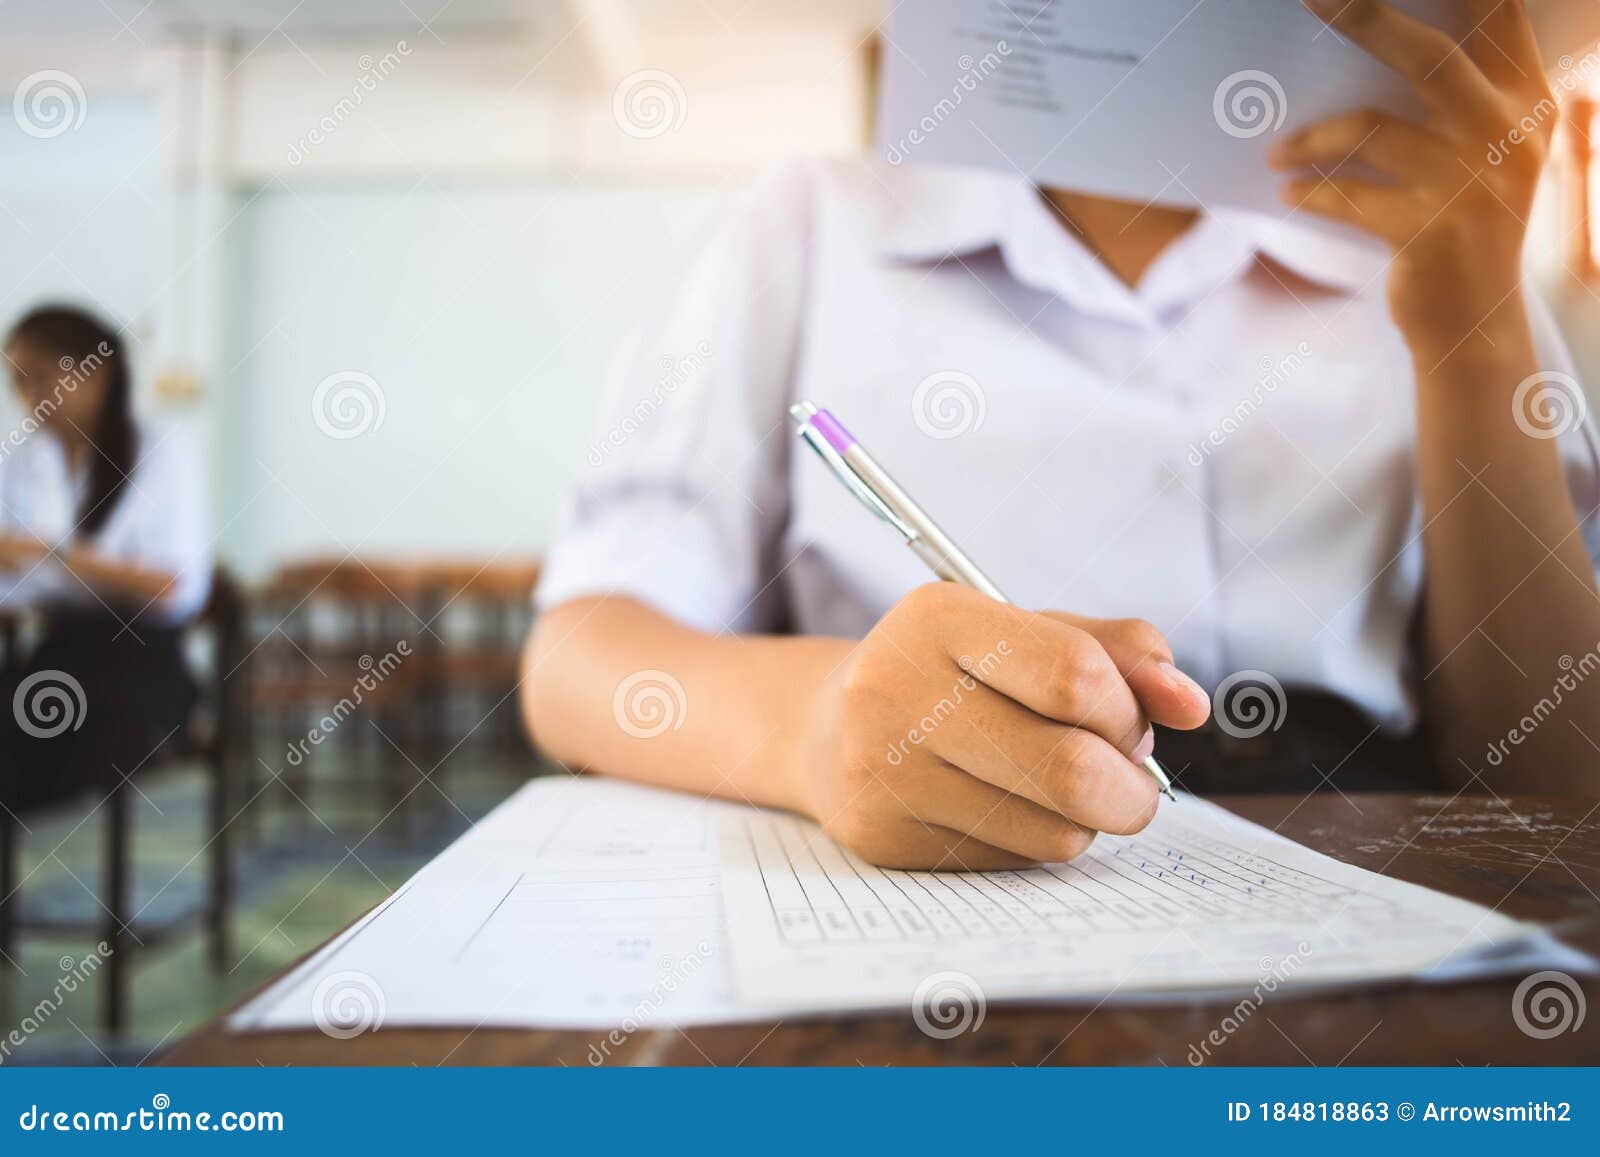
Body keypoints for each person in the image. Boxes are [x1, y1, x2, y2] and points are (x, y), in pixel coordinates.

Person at [522, 0, 1600, 870]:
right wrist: (818, 727)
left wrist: (1473, 327)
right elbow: (582, 656)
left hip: (1380, 878)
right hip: (952, 870)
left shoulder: (1450, 247)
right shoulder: (806, 225)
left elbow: (1565, 774)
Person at [0, 305, 211, 812]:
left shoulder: (162, 449)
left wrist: (44, 554)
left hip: (141, 659)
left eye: (42, 377)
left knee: (44, 737)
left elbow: (168, 587)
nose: (28, 397)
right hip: (58, 650)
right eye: (17, 380)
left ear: (96, 374)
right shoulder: (27, 458)